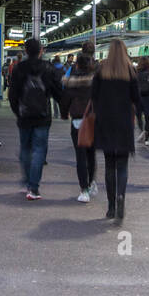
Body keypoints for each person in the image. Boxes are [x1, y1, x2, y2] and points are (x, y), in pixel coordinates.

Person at [91, 38, 144, 221]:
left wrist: (100, 113)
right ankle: (121, 195)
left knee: (109, 165)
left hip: (105, 122)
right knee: (122, 165)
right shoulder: (130, 70)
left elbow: (94, 97)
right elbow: (137, 98)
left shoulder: (101, 70)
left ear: (109, 52)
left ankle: (111, 207)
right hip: (123, 123)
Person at [7, 37, 64, 201]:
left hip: (24, 116)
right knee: (39, 150)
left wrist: (17, 112)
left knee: (25, 148)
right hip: (42, 116)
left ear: (25, 51)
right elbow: (58, 91)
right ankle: (34, 188)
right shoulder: (48, 68)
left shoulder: (19, 68)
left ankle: (26, 182)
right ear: (41, 51)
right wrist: (65, 108)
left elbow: (13, 94)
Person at [60, 41, 98, 203]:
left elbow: (65, 99)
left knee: (80, 156)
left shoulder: (72, 80)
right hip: (94, 119)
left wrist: (63, 114)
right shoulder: (97, 79)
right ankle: (90, 182)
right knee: (91, 154)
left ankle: (84, 190)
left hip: (77, 119)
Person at [134, 57, 149, 146]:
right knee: (148, 118)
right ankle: (147, 139)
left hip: (139, 98)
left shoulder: (136, 73)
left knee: (139, 117)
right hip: (148, 98)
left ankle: (142, 131)